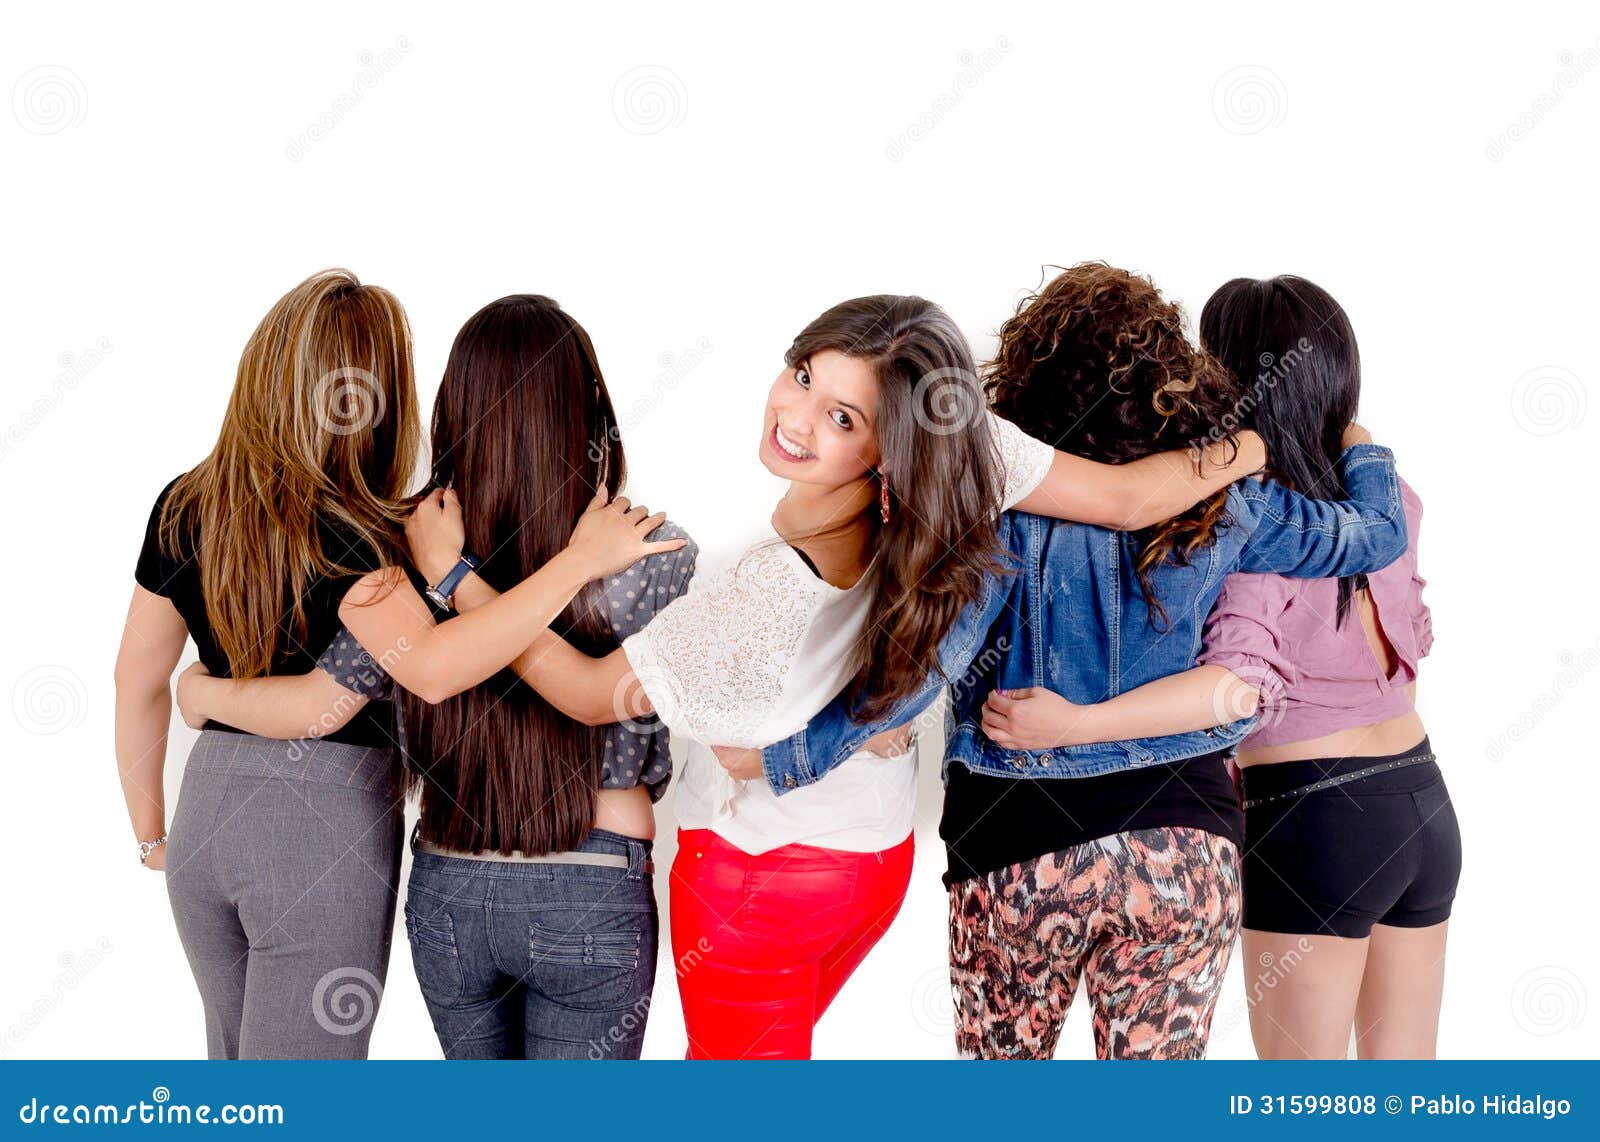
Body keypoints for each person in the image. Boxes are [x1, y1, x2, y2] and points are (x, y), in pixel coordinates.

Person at [403, 292, 1271, 1058]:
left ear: (886, 445)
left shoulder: (763, 593)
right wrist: (1252, 446)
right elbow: (1129, 498)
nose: (799, 414)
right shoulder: (966, 459)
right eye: (804, 374)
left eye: (844, 418)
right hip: (872, 864)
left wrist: (455, 578)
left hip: (758, 880)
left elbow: (588, 692)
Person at [745, 264, 1411, 1059]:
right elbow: (1374, 534)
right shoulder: (1234, 498)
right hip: (1182, 849)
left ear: (1023, 372)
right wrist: (1360, 446)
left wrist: (785, 758)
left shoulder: (992, 507)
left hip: (1017, 849)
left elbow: (921, 666)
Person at [121, 273, 679, 1059]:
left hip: (231, 821)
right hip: (339, 836)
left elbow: (139, 678)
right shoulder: (367, 536)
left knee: (237, 1082)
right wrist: (572, 563)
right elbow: (421, 674)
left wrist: (158, 812)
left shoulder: (205, 506)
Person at [1195, 275, 1456, 1059]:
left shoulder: (1244, 518)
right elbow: (1415, 634)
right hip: (1423, 800)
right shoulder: (1391, 499)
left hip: (1312, 814)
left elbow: (1234, 684)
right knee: (1405, 1099)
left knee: (1299, 1112)